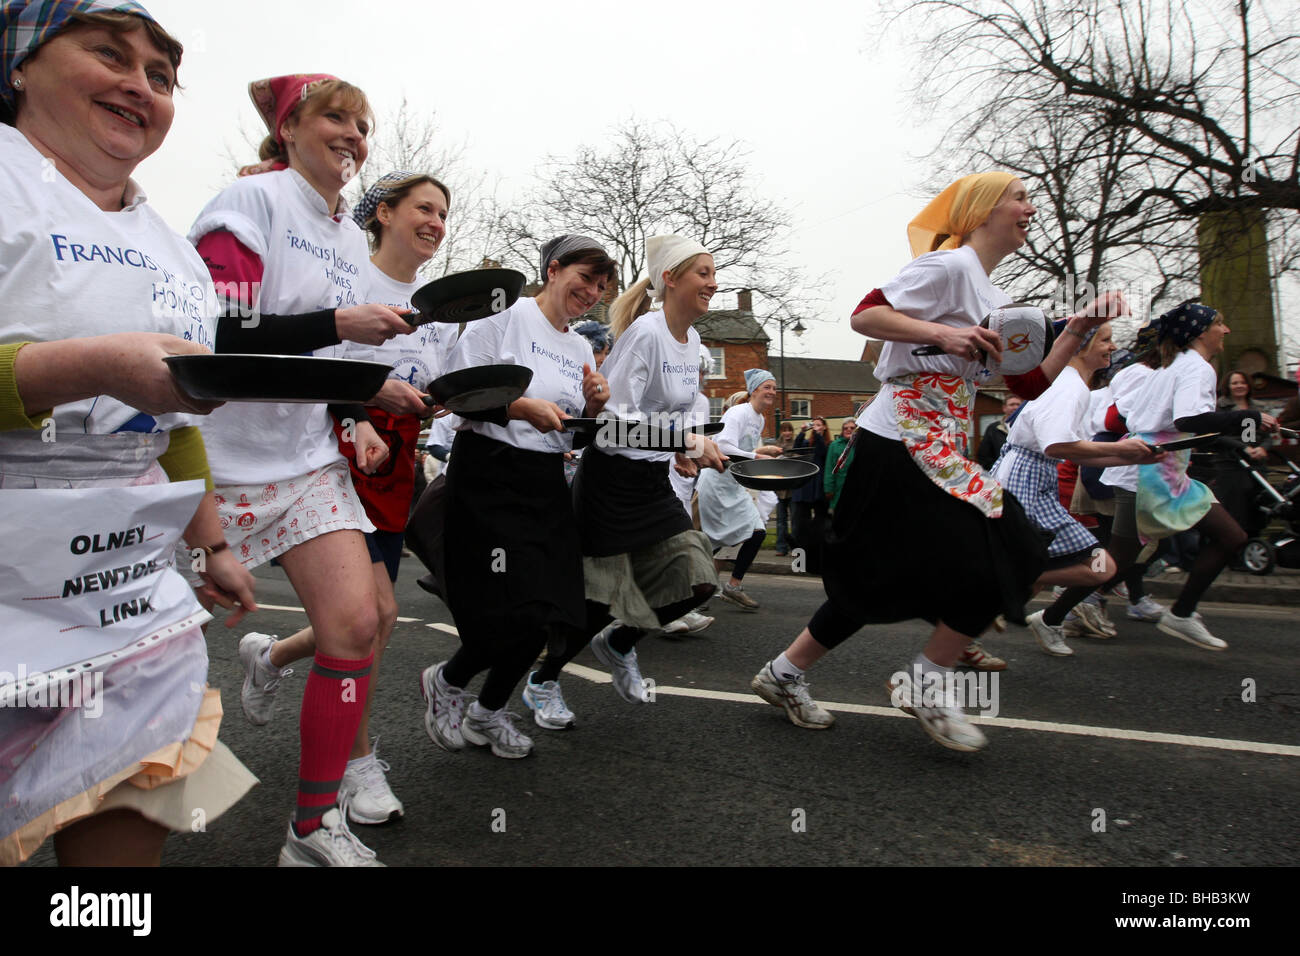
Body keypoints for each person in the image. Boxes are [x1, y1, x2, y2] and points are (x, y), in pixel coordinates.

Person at [0, 0, 258, 866]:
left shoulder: (176, 252)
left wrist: (214, 544)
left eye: (160, 75)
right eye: (108, 54)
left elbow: (170, 416)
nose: (137, 84)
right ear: (20, 66)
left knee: (126, 799)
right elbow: (113, 372)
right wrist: (85, 365)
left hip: (122, 579)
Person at [749, 171, 1115, 748]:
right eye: (1020, 198)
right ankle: (925, 682)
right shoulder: (948, 267)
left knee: (877, 579)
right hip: (897, 441)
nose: (1031, 209)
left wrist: (1075, 332)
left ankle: (783, 675)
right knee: (1004, 548)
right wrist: (942, 337)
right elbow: (865, 315)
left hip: (936, 447)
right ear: (981, 210)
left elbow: (1025, 382)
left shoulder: (992, 296)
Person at [189, 73, 414, 865]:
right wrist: (335, 323)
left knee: (356, 627)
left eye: (363, 123)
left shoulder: (350, 237)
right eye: (336, 118)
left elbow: (333, 354)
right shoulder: (248, 204)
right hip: (214, 464)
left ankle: (313, 828)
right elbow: (217, 332)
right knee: (132, 657)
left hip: (308, 463)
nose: (354, 135)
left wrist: (356, 413)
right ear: (288, 128)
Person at [233, 171, 453, 826]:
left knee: (368, 621)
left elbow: (434, 385)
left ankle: (270, 656)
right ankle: (352, 768)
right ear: (383, 213)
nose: (437, 222)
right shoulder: (347, 271)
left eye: (444, 213)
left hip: (393, 464)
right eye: (423, 208)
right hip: (331, 448)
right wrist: (360, 408)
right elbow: (296, 344)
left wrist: (438, 401)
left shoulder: (436, 305)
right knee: (376, 614)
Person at [419, 235, 614, 756]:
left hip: (545, 481)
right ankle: (448, 681)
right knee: (504, 609)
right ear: (553, 269)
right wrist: (519, 407)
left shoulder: (578, 347)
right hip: (489, 474)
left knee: (553, 609)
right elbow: (456, 395)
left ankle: (487, 712)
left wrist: (593, 410)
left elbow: (571, 435)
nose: (592, 291)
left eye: (601, 285)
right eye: (585, 277)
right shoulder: (503, 318)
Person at [522, 235, 725, 722]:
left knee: (694, 580)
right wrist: (681, 443)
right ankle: (542, 681)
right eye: (703, 273)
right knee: (598, 600)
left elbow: (669, 415)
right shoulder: (646, 334)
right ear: (669, 279)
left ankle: (619, 641)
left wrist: (683, 448)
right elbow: (611, 428)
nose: (713, 283)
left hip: (651, 482)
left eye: (714, 274)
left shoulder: (692, 341)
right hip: (610, 483)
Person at [1086, 303, 1279, 650]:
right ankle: (1180, 613)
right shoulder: (1194, 368)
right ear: (1202, 332)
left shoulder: (1171, 367)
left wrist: (1241, 430)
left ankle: (1054, 614)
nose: (1227, 331)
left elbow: (1157, 420)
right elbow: (1189, 420)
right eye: (1221, 324)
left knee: (1120, 557)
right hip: (1154, 476)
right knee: (1230, 537)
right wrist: (1247, 417)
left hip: (1148, 473)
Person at [991, 321, 1164, 656]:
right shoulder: (1070, 387)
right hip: (1023, 483)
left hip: (1030, 480)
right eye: (1106, 340)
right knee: (1098, 565)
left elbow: (1072, 449)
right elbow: (1058, 446)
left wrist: (1130, 458)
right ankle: (1006, 593)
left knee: (1088, 565)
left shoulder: (1067, 383)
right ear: (1082, 345)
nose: (1113, 347)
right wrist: (1123, 451)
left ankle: (1009, 613)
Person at [697, 371, 784, 609]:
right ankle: (692, 591)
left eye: (774, 388)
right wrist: (757, 455)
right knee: (712, 541)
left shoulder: (760, 419)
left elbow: (742, 453)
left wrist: (762, 457)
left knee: (757, 532)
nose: (772, 392)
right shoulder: (738, 412)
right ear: (754, 390)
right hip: (715, 483)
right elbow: (723, 445)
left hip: (734, 485)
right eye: (767, 387)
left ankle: (733, 586)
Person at [790, 416, 831, 573]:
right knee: (800, 527)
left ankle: (817, 559)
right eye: (814, 425)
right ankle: (799, 562)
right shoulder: (807, 443)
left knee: (819, 526)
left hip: (818, 490)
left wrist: (818, 435)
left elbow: (822, 451)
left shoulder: (827, 444)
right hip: (805, 488)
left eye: (819, 425)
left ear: (825, 428)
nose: (816, 427)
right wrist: (802, 433)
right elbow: (797, 448)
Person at [977, 394, 1022, 468]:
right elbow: (983, 455)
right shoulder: (994, 428)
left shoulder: (1027, 428)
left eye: (1018, 405)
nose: (1015, 407)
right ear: (1004, 408)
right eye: (1012, 404)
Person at [773, 420, 796, 555]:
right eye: (784, 430)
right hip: (779, 488)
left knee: (794, 520)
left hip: (792, 488)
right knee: (781, 521)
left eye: (789, 430)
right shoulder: (776, 446)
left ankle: (795, 547)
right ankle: (781, 547)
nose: (787, 433)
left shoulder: (796, 444)